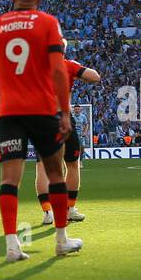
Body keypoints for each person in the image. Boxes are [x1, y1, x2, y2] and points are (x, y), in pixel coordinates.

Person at [0, 0, 80, 262]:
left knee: (9, 180)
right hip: (42, 109)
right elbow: (58, 70)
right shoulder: (48, 22)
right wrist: (64, 110)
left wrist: (8, 94)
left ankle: (12, 246)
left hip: (10, 112)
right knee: (54, 173)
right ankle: (61, 239)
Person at [35, 47, 100, 223]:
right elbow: (95, 77)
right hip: (63, 117)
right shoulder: (68, 65)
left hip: (40, 119)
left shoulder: (35, 67)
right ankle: (69, 209)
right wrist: (76, 70)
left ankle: (48, 213)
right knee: (72, 165)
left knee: (42, 167)